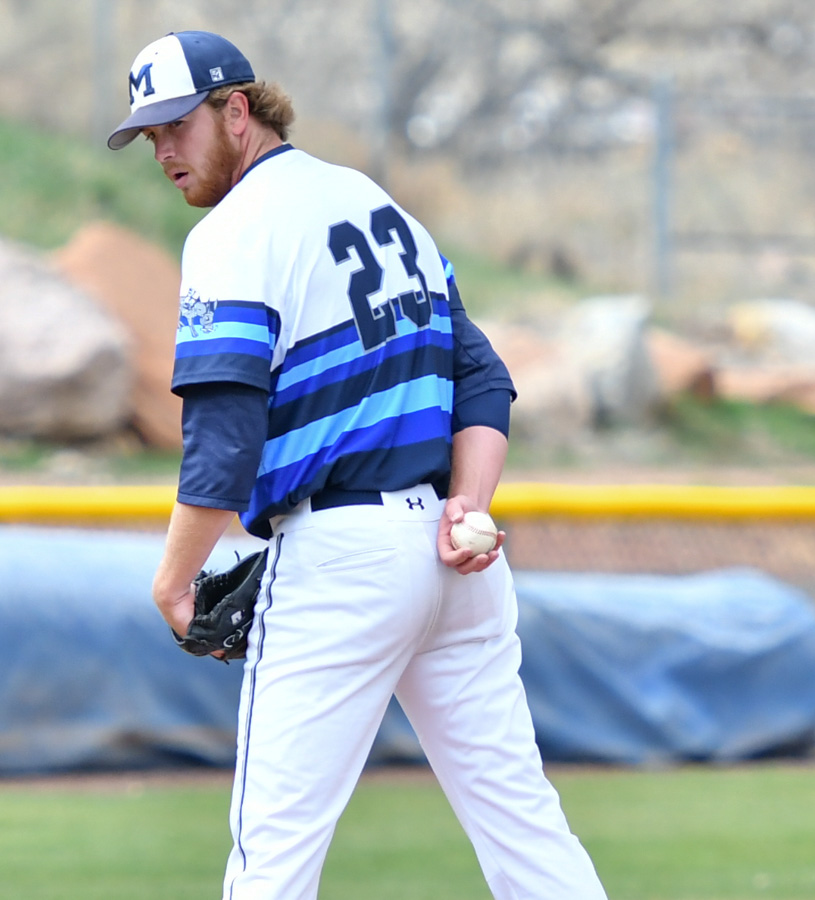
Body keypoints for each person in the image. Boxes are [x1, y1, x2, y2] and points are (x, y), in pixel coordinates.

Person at [108, 30, 607, 900]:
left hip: (341, 564)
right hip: (456, 562)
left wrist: (175, 581)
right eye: (151, 136)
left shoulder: (235, 232)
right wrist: (467, 504)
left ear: (237, 111)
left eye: (177, 125)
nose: (164, 151)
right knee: (527, 831)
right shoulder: (379, 206)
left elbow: (224, 441)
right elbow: (482, 378)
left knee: (272, 856)